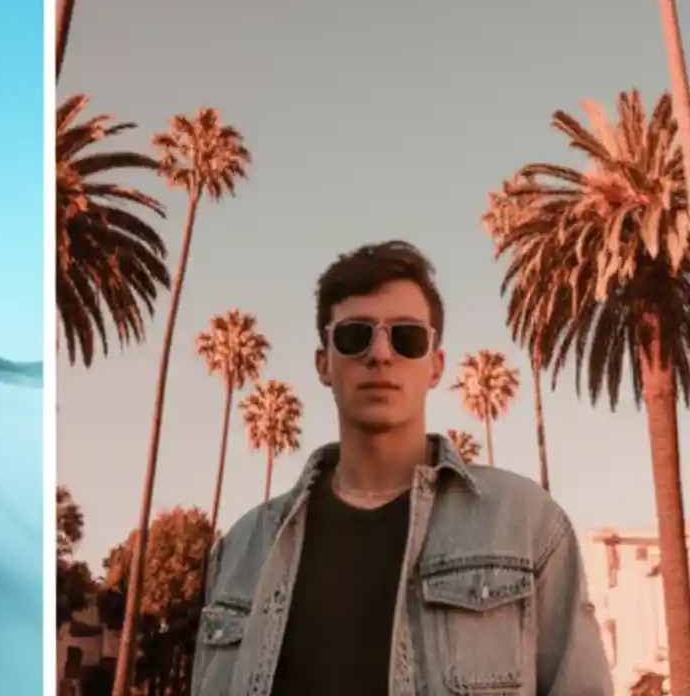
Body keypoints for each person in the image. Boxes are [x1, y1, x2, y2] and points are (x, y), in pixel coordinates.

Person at [191, 241, 611, 696]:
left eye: (407, 337)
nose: (380, 354)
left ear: (435, 366)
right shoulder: (241, 550)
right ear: (323, 363)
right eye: (354, 335)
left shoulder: (526, 524)